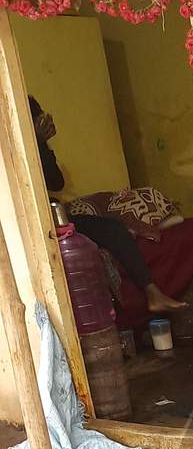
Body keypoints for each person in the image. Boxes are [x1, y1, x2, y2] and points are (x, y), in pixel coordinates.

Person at [29, 96, 185, 314]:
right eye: (38, 122)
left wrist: (42, 145)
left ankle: (153, 293)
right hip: (31, 225)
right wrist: (36, 141)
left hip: (51, 216)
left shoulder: (36, 147)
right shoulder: (14, 154)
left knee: (113, 229)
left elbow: (56, 181)